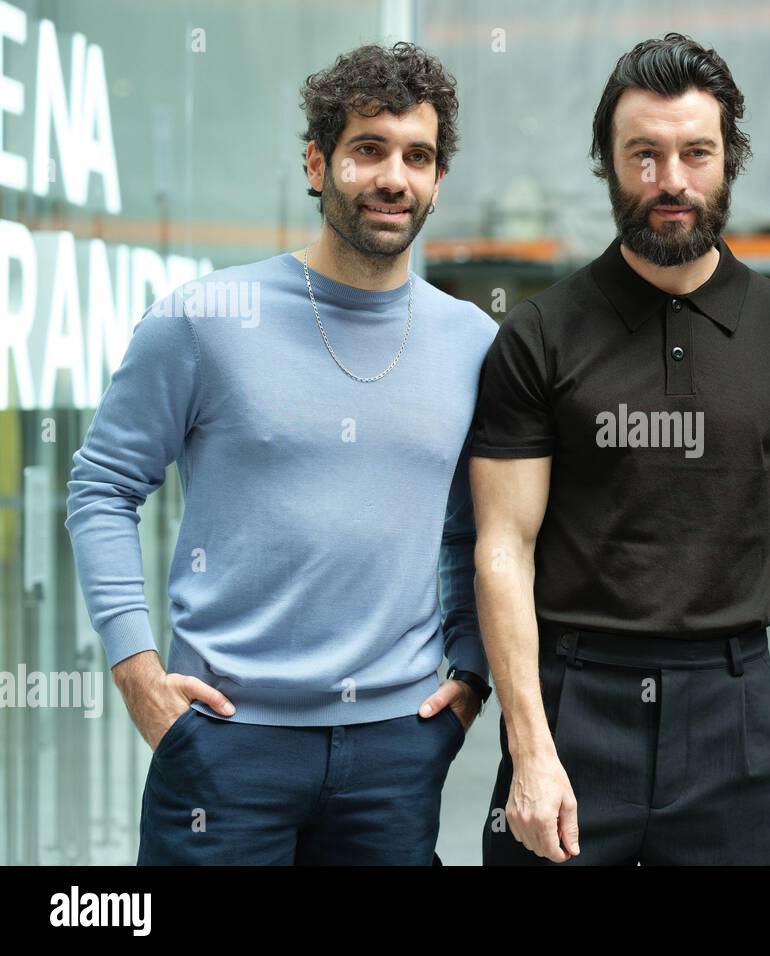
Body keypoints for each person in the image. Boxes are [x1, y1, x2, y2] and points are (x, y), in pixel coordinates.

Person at [65, 42, 496, 864]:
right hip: (228, 743)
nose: (393, 178)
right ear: (316, 162)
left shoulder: (474, 342)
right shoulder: (204, 319)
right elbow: (102, 488)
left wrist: (471, 676)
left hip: (397, 750)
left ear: (439, 179)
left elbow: (475, 531)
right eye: (367, 149)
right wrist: (136, 671)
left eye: (418, 156)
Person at [472, 33, 770, 865]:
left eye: (695, 153)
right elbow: (504, 544)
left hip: (739, 710)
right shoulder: (539, 333)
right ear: (607, 163)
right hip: (575, 710)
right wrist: (531, 745)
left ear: (729, 160)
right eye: (644, 154)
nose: (670, 181)